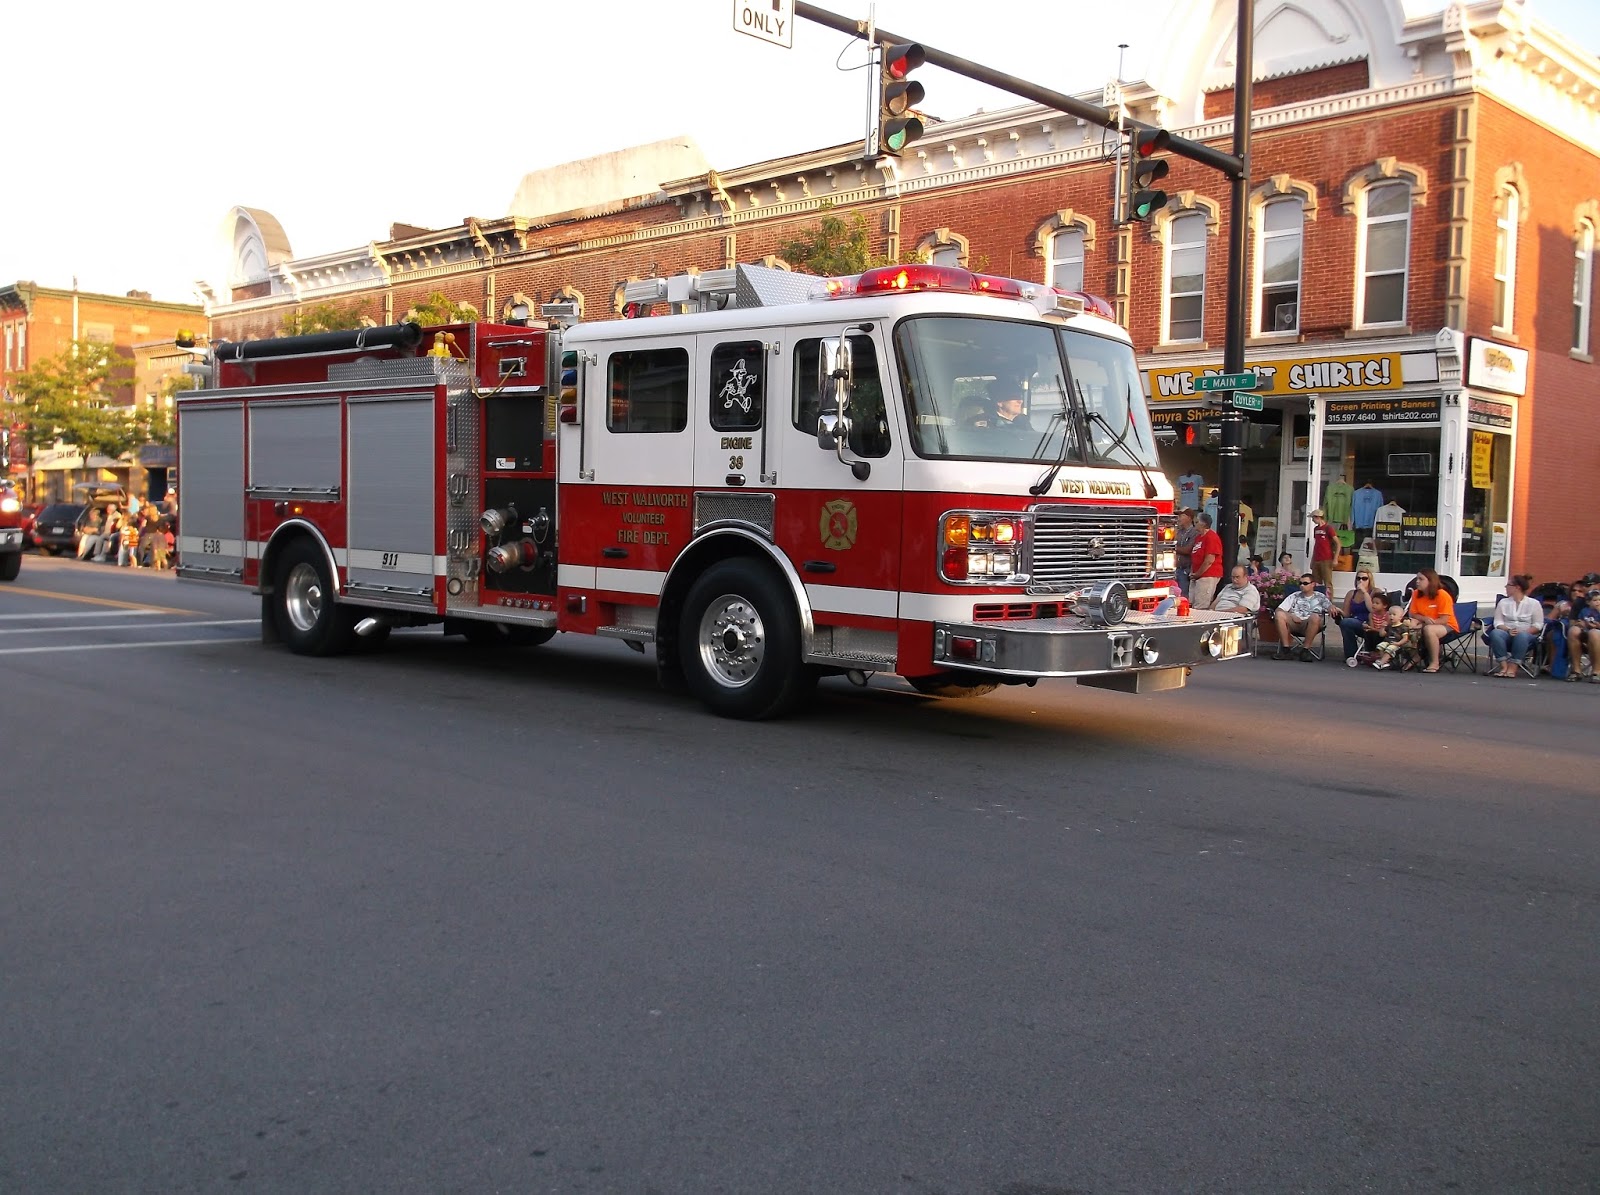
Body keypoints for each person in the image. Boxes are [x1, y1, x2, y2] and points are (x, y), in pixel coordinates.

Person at [1486, 574, 1543, 678]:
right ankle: (1504, 666)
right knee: (1495, 633)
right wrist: (1508, 630)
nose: (1506, 587)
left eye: (1508, 585)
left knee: (1522, 636)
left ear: (1517, 587)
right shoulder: (1503, 602)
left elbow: (1538, 625)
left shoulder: (1534, 603)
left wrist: (1525, 632)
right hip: (1507, 633)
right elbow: (1498, 622)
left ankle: (1513, 667)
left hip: (1526, 635)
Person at [1406, 567, 1459, 674]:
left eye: (1421, 579)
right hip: (1424, 622)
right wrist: (1424, 619)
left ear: (1430, 581)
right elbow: (1413, 613)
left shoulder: (1442, 595)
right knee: (1407, 625)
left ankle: (1434, 662)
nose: (1417, 582)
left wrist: (1426, 623)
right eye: (1417, 579)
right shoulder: (1416, 593)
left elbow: (1444, 619)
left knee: (1429, 630)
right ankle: (1414, 656)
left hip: (1446, 625)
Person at [1271, 573, 1333, 661]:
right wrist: (1291, 616)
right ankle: (1286, 650)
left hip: (1311, 624)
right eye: (1300, 583)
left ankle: (1305, 650)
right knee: (1279, 615)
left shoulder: (1320, 597)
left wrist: (1332, 608)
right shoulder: (1294, 595)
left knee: (1315, 617)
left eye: (1305, 583)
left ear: (1313, 584)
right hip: (1294, 623)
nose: (1302, 586)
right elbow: (1279, 609)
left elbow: (1330, 607)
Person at [1337, 568, 1379, 662]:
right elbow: (1346, 614)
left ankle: (1352, 655)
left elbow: (1372, 609)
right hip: (1354, 621)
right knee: (1344, 623)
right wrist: (1338, 610)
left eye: (1364, 578)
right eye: (1358, 578)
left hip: (1370, 623)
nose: (1361, 581)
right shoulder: (1351, 593)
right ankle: (1351, 655)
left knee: (1346, 623)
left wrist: (1365, 593)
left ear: (1370, 580)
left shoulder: (1375, 592)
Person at [1188, 511, 1224, 609]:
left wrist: (1198, 574)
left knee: (1201, 604)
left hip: (1208, 575)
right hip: (1196, 575)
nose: (1194, 524)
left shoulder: (1212, 537)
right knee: (1191, 602)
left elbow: (1209, 560)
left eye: (1196, 522)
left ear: (1203, 524)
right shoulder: (1199, 537)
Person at [1346, 591, 1393, 666]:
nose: (1373, 605)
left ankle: (1376, 652)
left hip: (1383, 634)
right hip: (1374, 632)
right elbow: (1372, 627)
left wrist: (1372, 629)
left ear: (1384, 606)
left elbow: (1386, 630)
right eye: (1373, 602)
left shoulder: (1387, 615)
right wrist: (1368, 627)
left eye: (1377, 603)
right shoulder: (1371, 615)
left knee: (1379, 634)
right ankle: (1370, 651)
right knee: (1368, 632)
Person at [1372, 605, 1424, 671]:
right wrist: (1382, 628)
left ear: (1400, 617)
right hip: (1388, 641)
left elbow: (1405, 638)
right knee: (1380, 646)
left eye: (1394, 614)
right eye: (1390, 614)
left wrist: (1398, 643)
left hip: (1398, 643)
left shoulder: (1403, 627)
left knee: (1390, 648)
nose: (1391, 616)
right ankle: (1385, 662)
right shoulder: (1389, 626)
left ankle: (1381, 662)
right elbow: (1382, 635)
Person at [1565, 586, 1600, 682]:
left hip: (1596, 634)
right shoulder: (1584, 610)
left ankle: (1597, 671)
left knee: (1594, 633)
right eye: (1595, 600)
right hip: (1585, 633)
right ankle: (1576, 671)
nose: (1598, 602)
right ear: (1588, 602)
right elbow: (1576, 621)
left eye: (1599, 600)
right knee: (1573, 631)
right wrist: (1580, 624)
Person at [1309, 508, 1338, 589]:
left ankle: (1328, 600)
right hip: (1316, 558)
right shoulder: (1316, 529)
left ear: (1318, 517)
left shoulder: (1328, 528)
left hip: (1326, 558)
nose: (1313, 520)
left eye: (1313, 518)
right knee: (1316, 582)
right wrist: (1312, 560)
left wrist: (1335, 558)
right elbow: (1316, 545)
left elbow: (1338, 543)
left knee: (1327, 582)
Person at [1173, 508, 1198, 597]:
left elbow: (1188, 550)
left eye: (1181, 515)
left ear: (1189, 517)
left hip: (1186, 570)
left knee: (1183, 596)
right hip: (1176, 569)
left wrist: (1172, 547)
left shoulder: (1194, 532)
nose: (1178, 518)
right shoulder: (1179, 532)